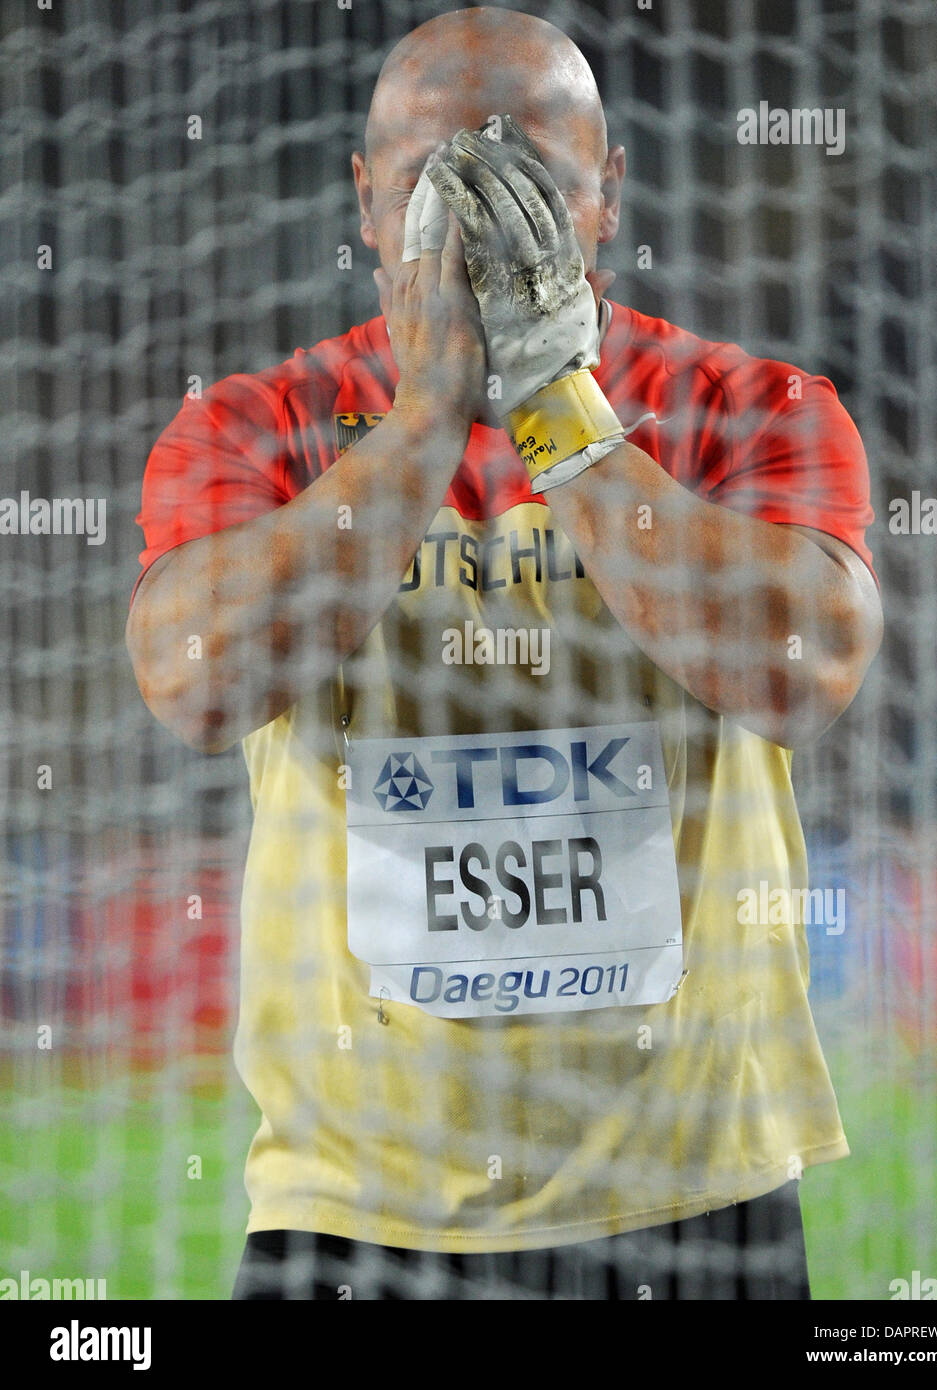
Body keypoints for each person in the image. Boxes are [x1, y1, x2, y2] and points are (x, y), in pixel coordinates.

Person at [126, 7, 882, 1300]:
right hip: (355, 1207)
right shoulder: (256, 425)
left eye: (530, 177)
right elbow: (194, 681)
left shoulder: (752, 406)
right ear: (365, 203)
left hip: (697, 1197)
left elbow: (806, 667)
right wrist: (428, 419)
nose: (480, 218)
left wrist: (559, 412)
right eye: (436, 181)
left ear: (607, 197)